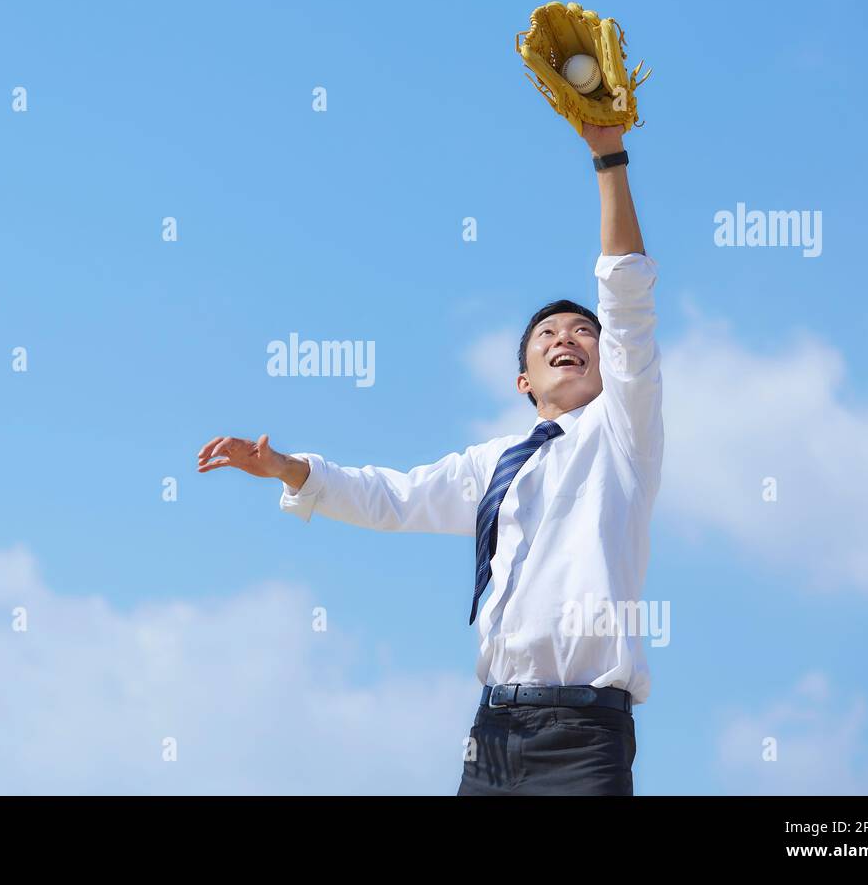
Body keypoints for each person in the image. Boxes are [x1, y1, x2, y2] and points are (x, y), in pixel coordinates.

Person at [196, 122, 662, 795]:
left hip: (585, 737)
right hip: (495, 733)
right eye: (547, 335)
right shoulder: (493, 463)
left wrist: (607, 157)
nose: (568, 337)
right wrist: (289, 469)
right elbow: (392, 497)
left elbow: (628, 295)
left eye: (584, 332)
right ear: (522, 380)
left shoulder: (625, 433)